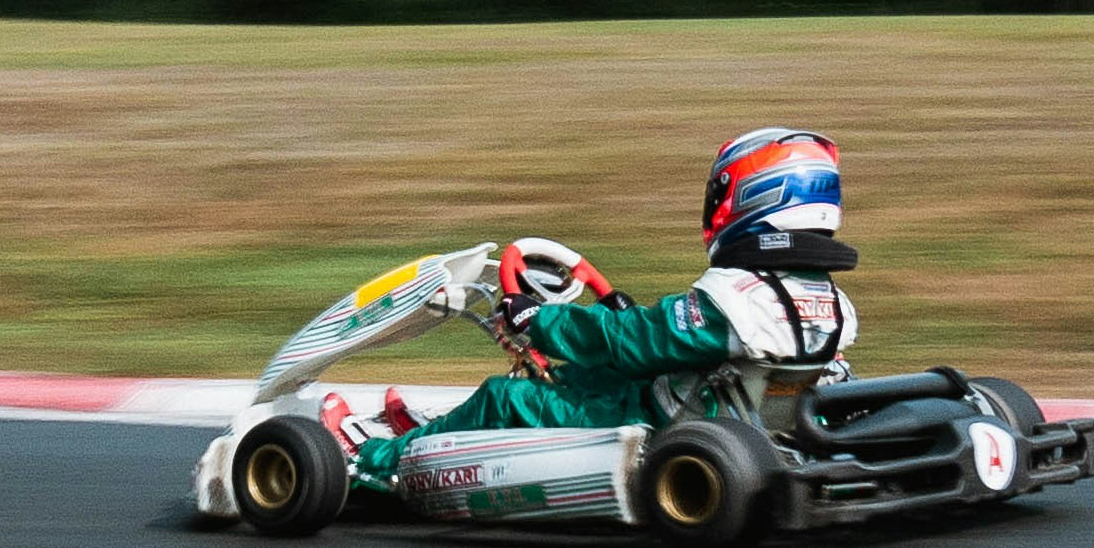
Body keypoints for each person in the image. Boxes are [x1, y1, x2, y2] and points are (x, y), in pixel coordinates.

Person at [337, 128, 865, 488]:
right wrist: (616, 310)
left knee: (506, 398)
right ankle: (431, 433)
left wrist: (535, 319)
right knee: (570, 381)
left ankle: (371, 463)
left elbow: (627, 342)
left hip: (661, 426)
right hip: (724, 416)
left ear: (754, 200)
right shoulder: (828, 303)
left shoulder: (738, 299)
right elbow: (667, 340)